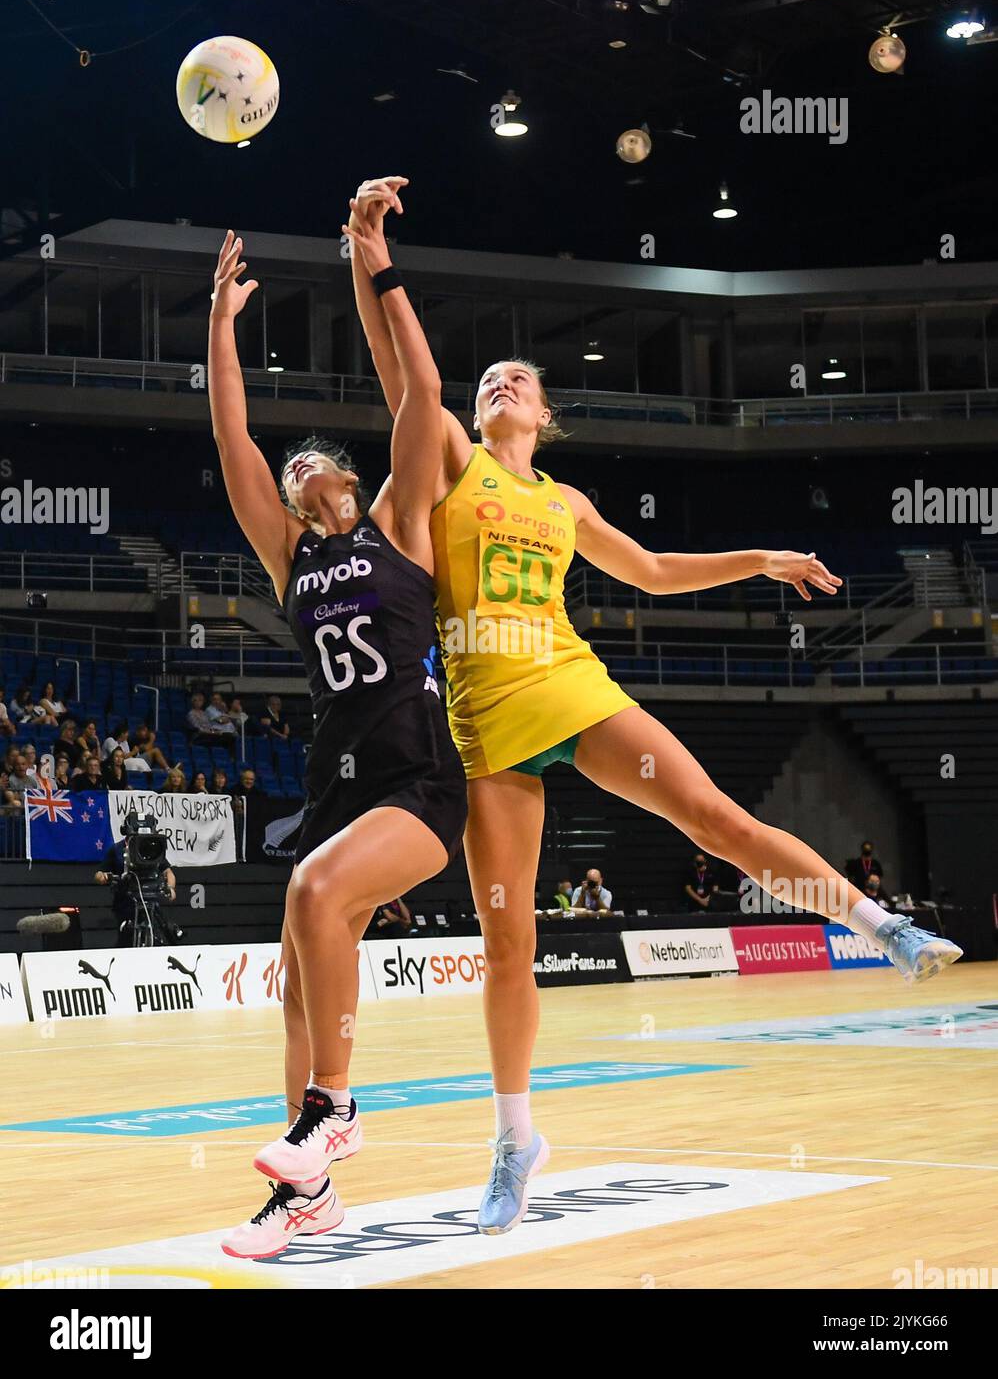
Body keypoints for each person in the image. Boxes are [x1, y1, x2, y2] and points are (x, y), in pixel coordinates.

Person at [347, 173, 963, 1234]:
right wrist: (367, 258)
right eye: (489, 378)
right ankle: (513, 1140)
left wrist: (761, 557)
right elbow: (407, 373)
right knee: (508, 946)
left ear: (544, 415)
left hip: (569, 685)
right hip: (484, 727)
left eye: (516, 382)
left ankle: (879, 923)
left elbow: (653, 572)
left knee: (714, 817)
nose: (498, 386)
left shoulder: (561, 499)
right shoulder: (452, 465)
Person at [208, 226, 467, 1259]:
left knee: (314, 892)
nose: (292, 459)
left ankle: (337, 1110)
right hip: (335, 788)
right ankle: (306, 1191)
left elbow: (421, 388)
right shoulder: (286, 553)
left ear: (347, 478)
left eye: (309, 454)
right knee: (293, 998)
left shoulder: (401, 521)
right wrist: (222, 328)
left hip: (416, 778)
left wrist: (378, 262)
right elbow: (230, 438)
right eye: (287, 464)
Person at [95, 839, 177, 946]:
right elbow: (99, 873)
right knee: (126, 939)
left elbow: (168, 871)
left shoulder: (151, 846)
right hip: (125, 903)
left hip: (151, 901)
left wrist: (170, 887)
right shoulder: (116, 849)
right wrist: (102, 877)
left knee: (157, 936)